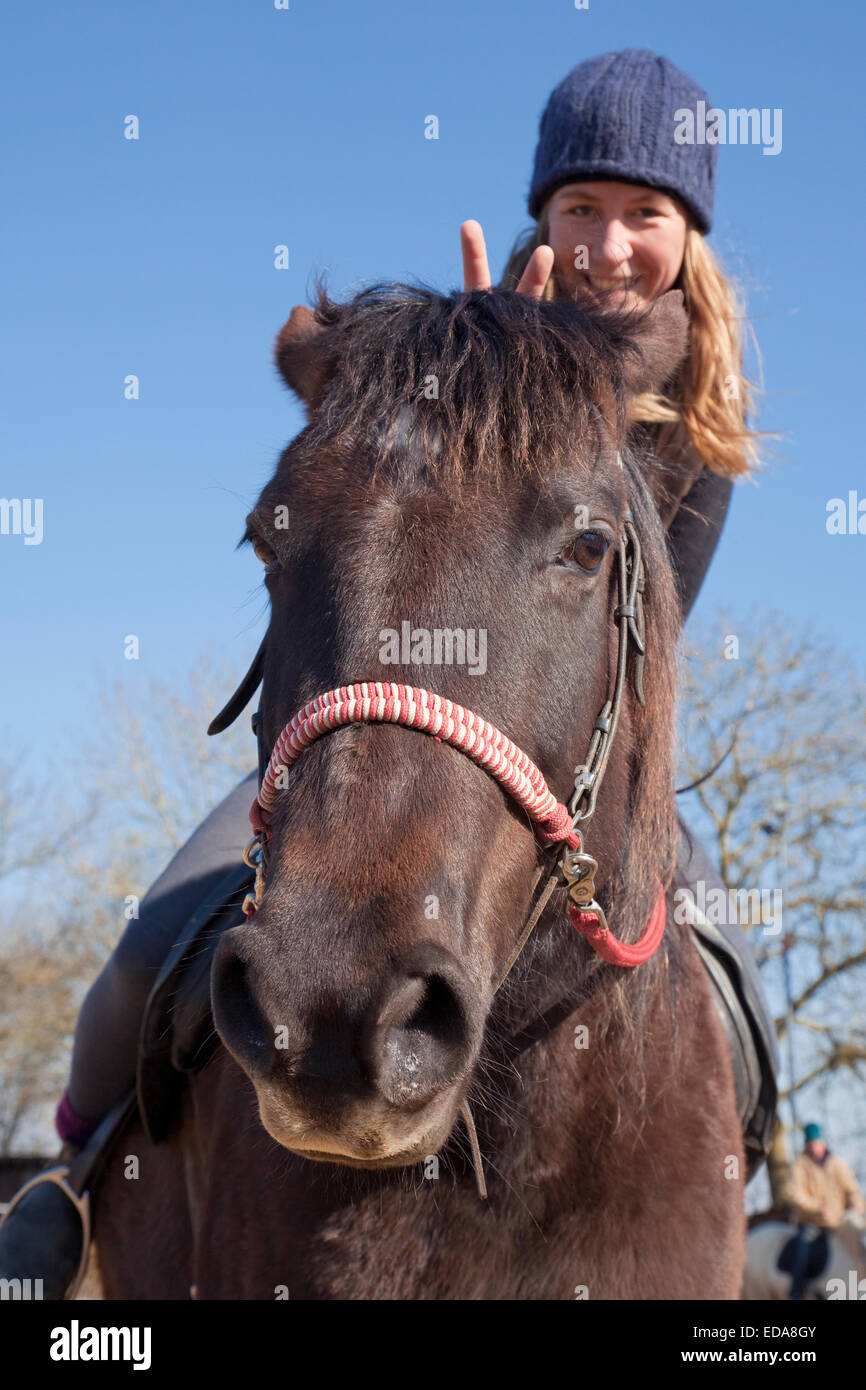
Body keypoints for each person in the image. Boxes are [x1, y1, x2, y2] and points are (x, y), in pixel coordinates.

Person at [0, 47, 777, 1298]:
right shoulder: (470, 345)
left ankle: (756, 1164)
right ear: (541, 215)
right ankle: (66, 1187)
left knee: (733, 979)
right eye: (581, 207)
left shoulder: (703, 420)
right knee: (156, 939)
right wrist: (480, 376)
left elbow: (648, 623)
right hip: (404, 726)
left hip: (588, 758)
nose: (610, 241)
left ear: (687, 235)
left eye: (645, 214)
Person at [782, 1122, 866, 1299]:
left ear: (823, 1143)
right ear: (806, 1145)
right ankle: (796, 1292)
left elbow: (851, 1189)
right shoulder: (800, 1165)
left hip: (838, 1221)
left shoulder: (837, 1164)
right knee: (802, 1251)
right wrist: (816, 1209)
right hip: (812, 1222)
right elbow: (793, 1194)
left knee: (860, 1236)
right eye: (811, 1143)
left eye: (817, 1142)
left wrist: (857, 1203)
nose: (815, 1147)